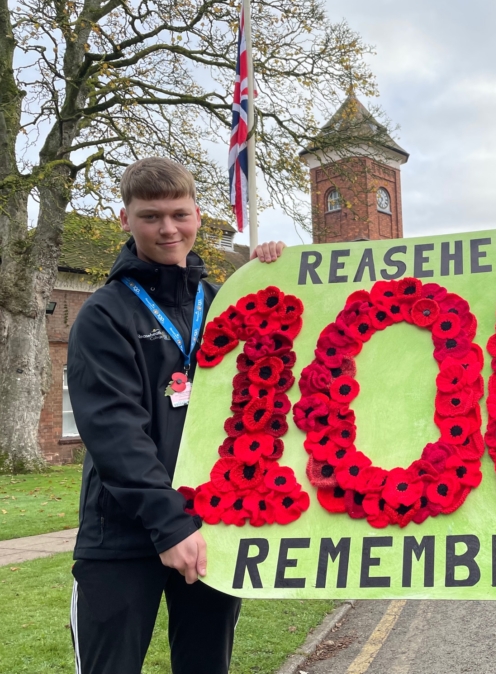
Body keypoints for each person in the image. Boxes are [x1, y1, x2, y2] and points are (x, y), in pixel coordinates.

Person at [67, 157, 285, 674]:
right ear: (126, 219)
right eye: (150, 216)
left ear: (198, 215)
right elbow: (115, 431)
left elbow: (274, 369)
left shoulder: (221, 301)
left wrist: (272, 274)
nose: (168, 229)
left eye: (179, 214)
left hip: (210, 530)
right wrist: (169, 526)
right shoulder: (105, 313)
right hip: (122, 537)